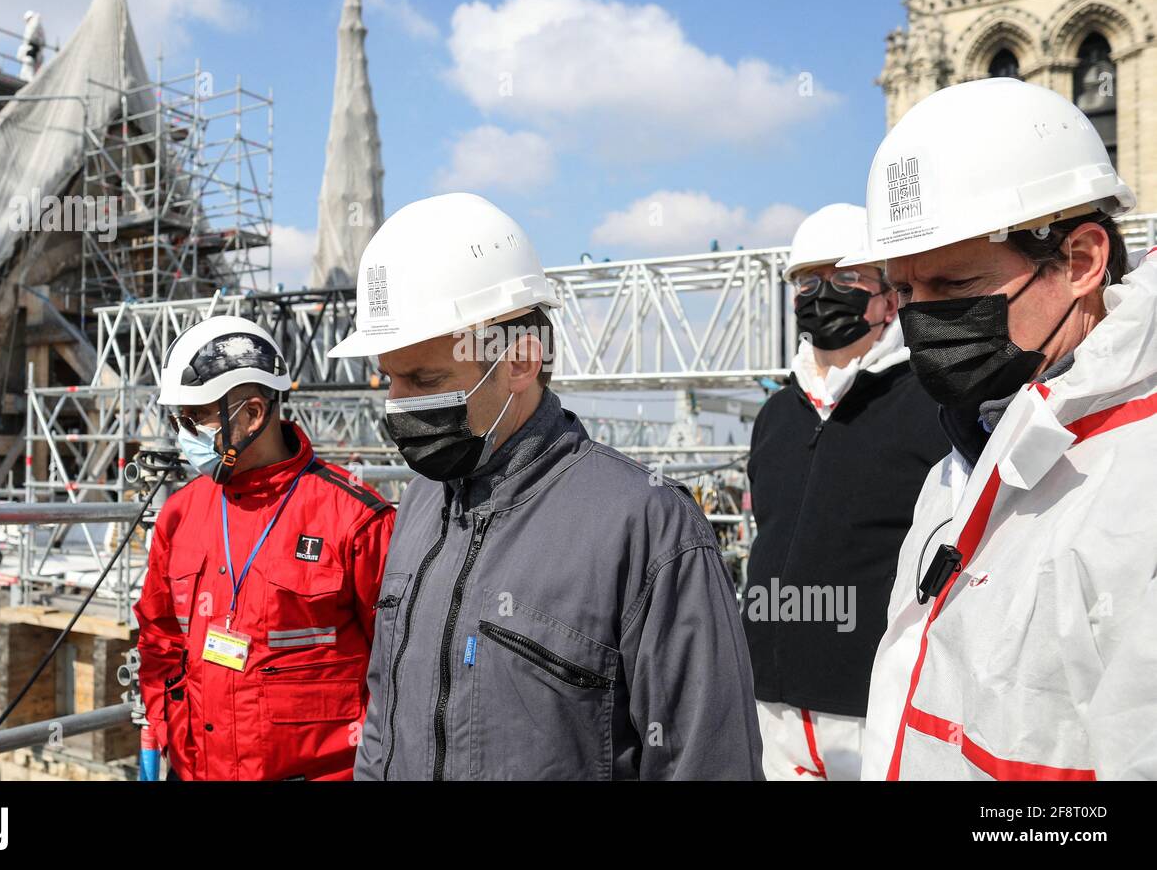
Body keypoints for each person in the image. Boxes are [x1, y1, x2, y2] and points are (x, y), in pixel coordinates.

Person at [328, 192, 763, 780]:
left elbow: (707, 760)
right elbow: (387, 715)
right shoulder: (423, 502)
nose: (396, 404)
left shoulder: (645, 526)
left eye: (424, 378)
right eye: (390, 379)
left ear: (520, 361)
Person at [851, 77, 1157, 780]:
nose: (921, 320)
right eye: (906, 290)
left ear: (1081, 261)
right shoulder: (962, 464)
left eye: (953, 287)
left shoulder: (1140, 481)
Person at [134, 316, 394, 780]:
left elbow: (399, 669)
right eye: (177, 419)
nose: (183, 435)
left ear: (253, 414)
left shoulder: (356, 520)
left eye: (195, 419)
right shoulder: (181, 514)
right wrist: (167, 724)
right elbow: (159, 639)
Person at [742, 204, 949, 780]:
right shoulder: (776, 415)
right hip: (769, 704)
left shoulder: (930, 403)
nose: (822, 294)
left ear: (889, 297)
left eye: (846, 279)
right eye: (808, 281)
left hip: (872, 707)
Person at [16, 10, 45, 82]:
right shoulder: (39, 26)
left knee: (28, 71)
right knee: (32, 71)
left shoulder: (33, 23)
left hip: (31, 53)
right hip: (35, 53)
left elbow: (29, 36)